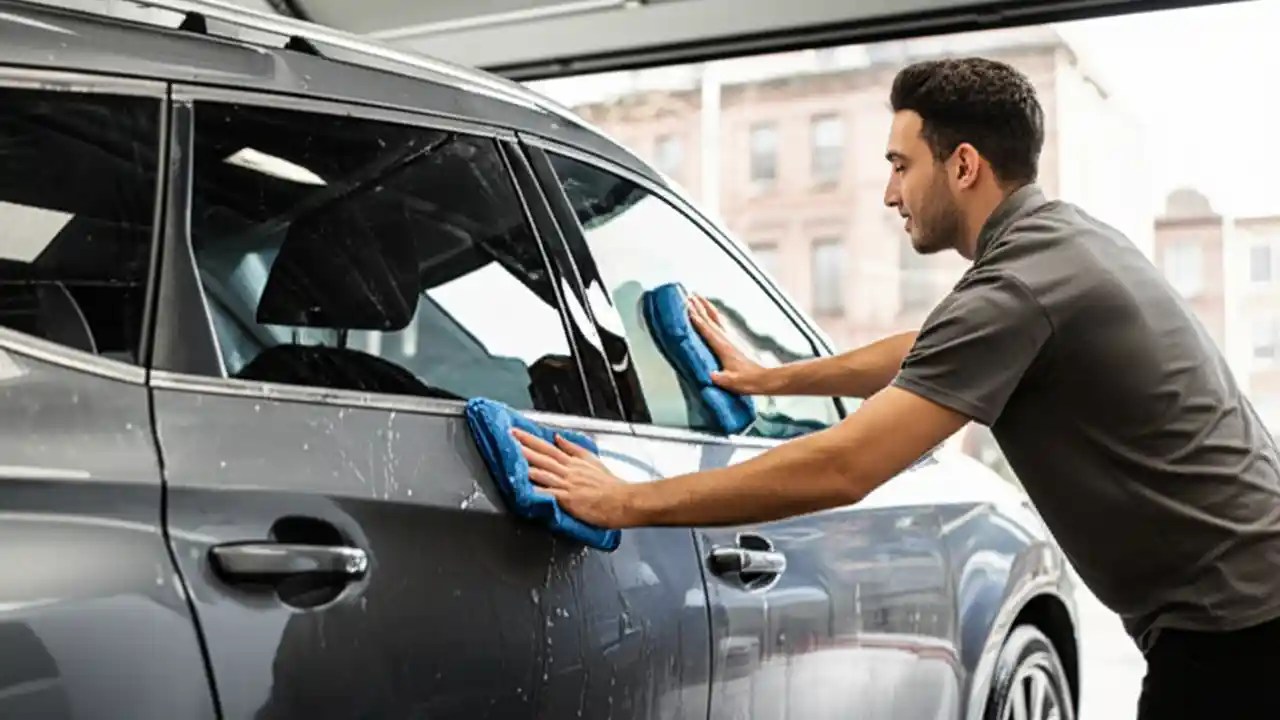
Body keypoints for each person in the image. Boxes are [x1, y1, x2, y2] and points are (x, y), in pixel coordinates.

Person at [512, 57, 1280, 718]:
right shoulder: (1062, 245)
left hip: (1239, 636)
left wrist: (625, 501)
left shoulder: (1017, 290)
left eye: (900, 164)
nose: (889, 193)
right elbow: (929, 347)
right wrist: (772, 376)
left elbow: (846, 466)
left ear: (965, 165)